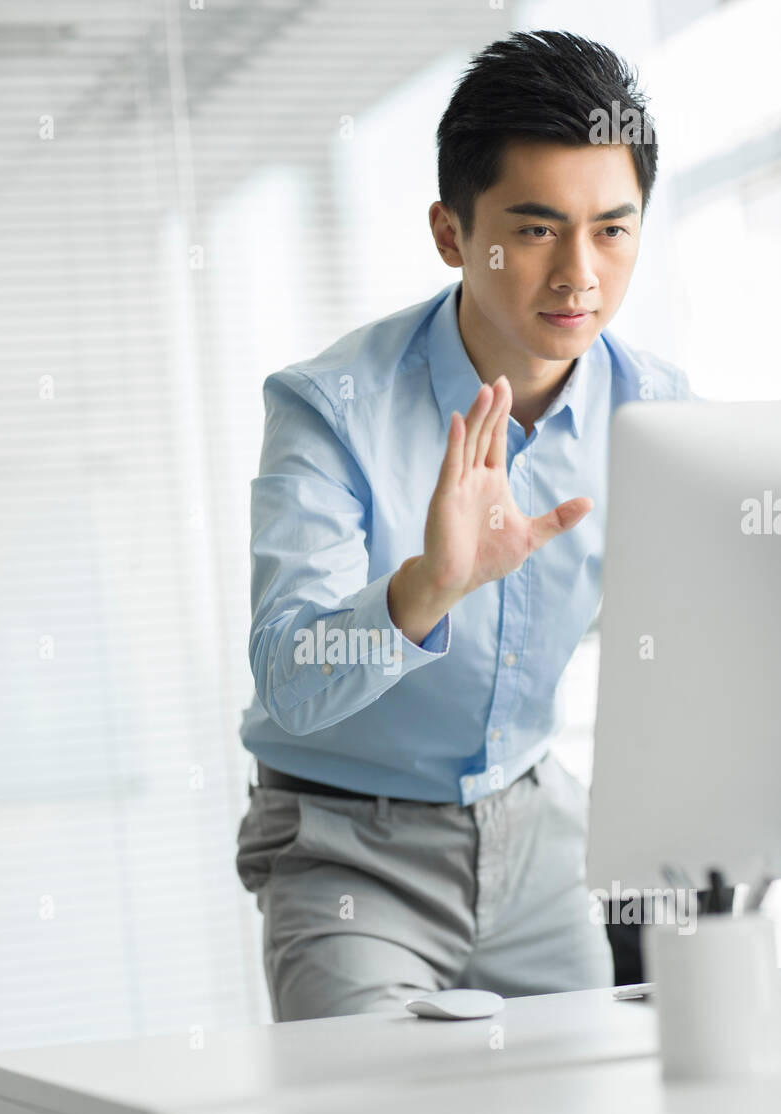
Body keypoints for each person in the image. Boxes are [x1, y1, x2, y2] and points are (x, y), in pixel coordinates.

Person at [236, 29, 693, 1028]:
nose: (579, 275)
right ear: (452, 233)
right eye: (534, 231)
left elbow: (694, 650)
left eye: (611, 230)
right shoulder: (330, 407)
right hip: (345, 847)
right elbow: (284, 677)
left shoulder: (655, 407)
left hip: (532, 833)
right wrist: (427, 587)